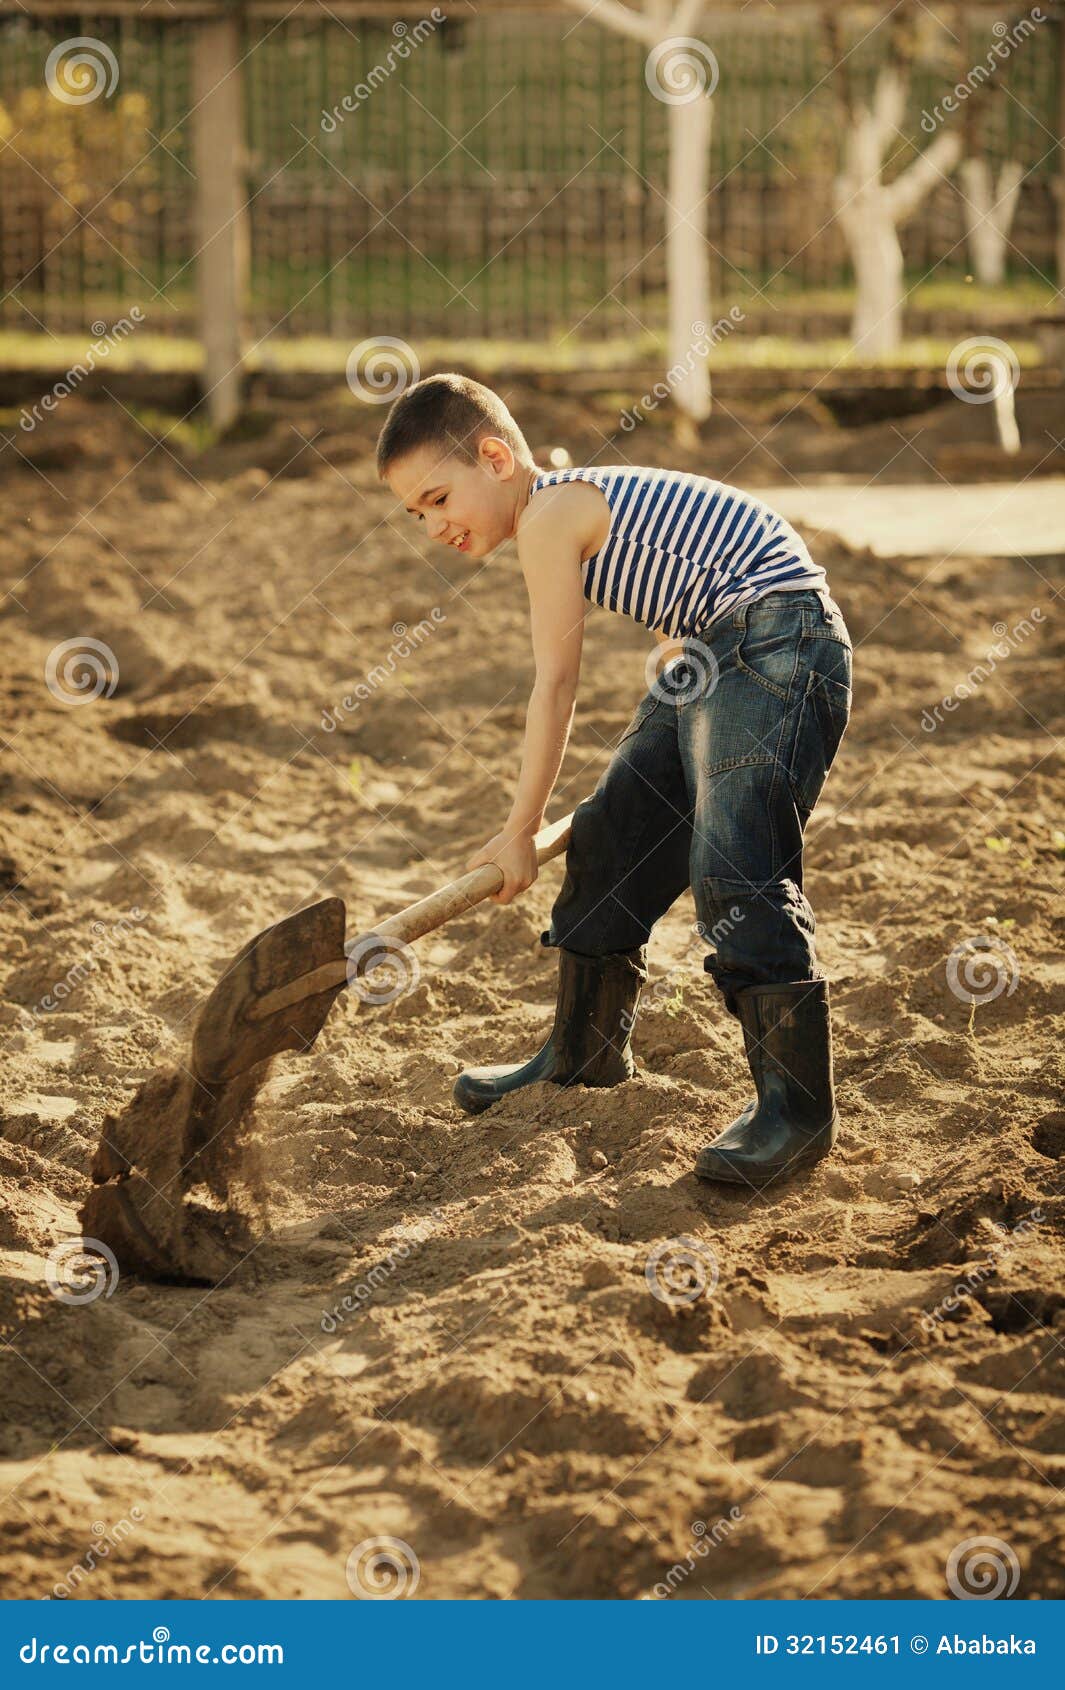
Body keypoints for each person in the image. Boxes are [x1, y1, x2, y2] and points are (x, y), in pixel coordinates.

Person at [377, 372, 852, 1190]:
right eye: (416, 514)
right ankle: (582, 1053)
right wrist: (676, 637)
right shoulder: (565, 504)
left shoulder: (548, 516)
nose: (434, 527)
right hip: (713, 645)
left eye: (437, 497)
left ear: (494, 458)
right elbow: (687, 547)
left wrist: (519, 827)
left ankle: (796, 1108)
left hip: (780, 640)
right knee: (609, 841)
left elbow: (555, 682)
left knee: (735, 865)